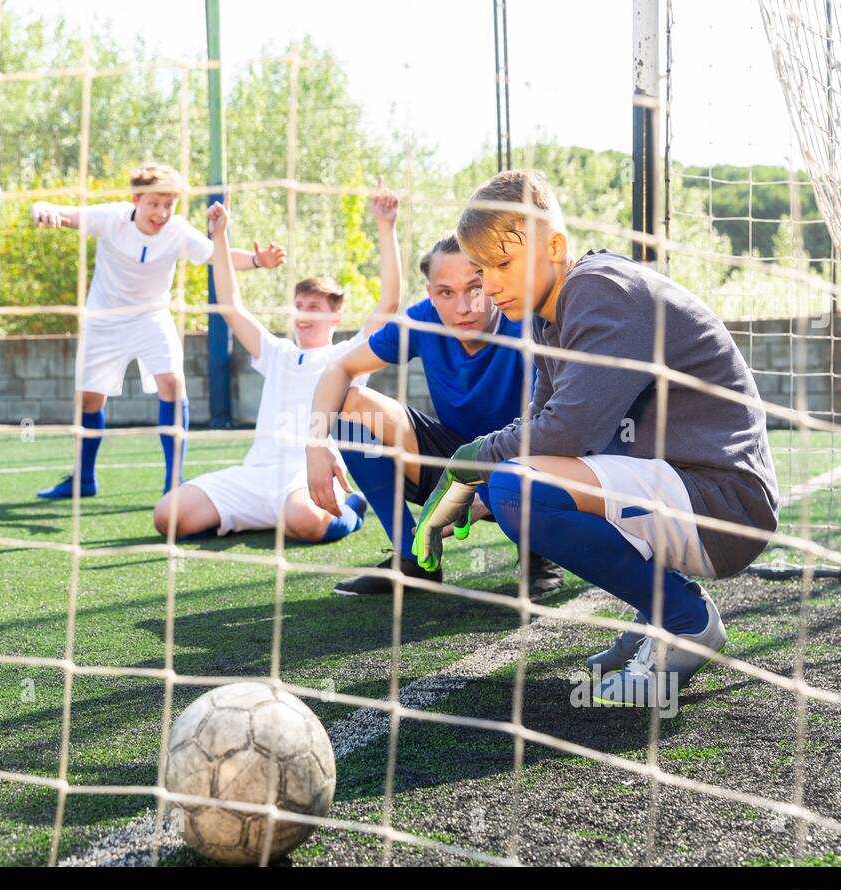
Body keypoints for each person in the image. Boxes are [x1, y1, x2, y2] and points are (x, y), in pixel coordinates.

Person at [413, 169, 778, 707]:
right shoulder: (548, 315)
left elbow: (570, 431)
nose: (488, 286)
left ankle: (685, 621)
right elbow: (543, 425)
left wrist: (472, 460)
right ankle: (662, 610)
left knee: (515, 484)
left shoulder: (601, 291)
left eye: (502, 265)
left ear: (555, 246)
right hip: (677, 493)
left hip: (722, 505)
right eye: (482, 269)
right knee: (503, 484)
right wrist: (477, 474)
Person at [306, 232, 565, 598]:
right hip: (455, 466)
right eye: (446, 292)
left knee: (547, 440)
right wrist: (315, 445)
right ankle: (413, 557)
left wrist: (488, 494)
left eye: (474, 287)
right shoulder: (421, 320)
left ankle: (539, 554)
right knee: (354, 407)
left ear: (492, 280)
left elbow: (557, 422)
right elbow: (339, 369)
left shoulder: (527, 319)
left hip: (525, 462)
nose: (463, 306)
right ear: (430, 294)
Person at [151, 180, 400, 542]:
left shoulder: (347, 356)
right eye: (298, 306)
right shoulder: (277, 352)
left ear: (335, 316)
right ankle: (262, 515)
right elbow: (230, 307)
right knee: (169, 515)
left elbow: (388, 304)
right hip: (257, 474)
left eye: (313, 307)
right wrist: (219, 236)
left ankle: (351, 507)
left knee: (302, 521)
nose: (302, 314)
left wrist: (385, 226)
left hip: (305, 476)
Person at [28, 162, 285, 500]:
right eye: (154, 204)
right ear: (136, 200)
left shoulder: (177, 231)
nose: (162, 213)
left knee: (172, 382)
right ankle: (84, 480)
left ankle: (173, 485)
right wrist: (42, 209)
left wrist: (256, 261)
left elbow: (215, 255)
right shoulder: (112, 218)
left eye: (169, 205)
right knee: (89, 400)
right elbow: (56, 211)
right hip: (104, 320)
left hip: (151, 317)